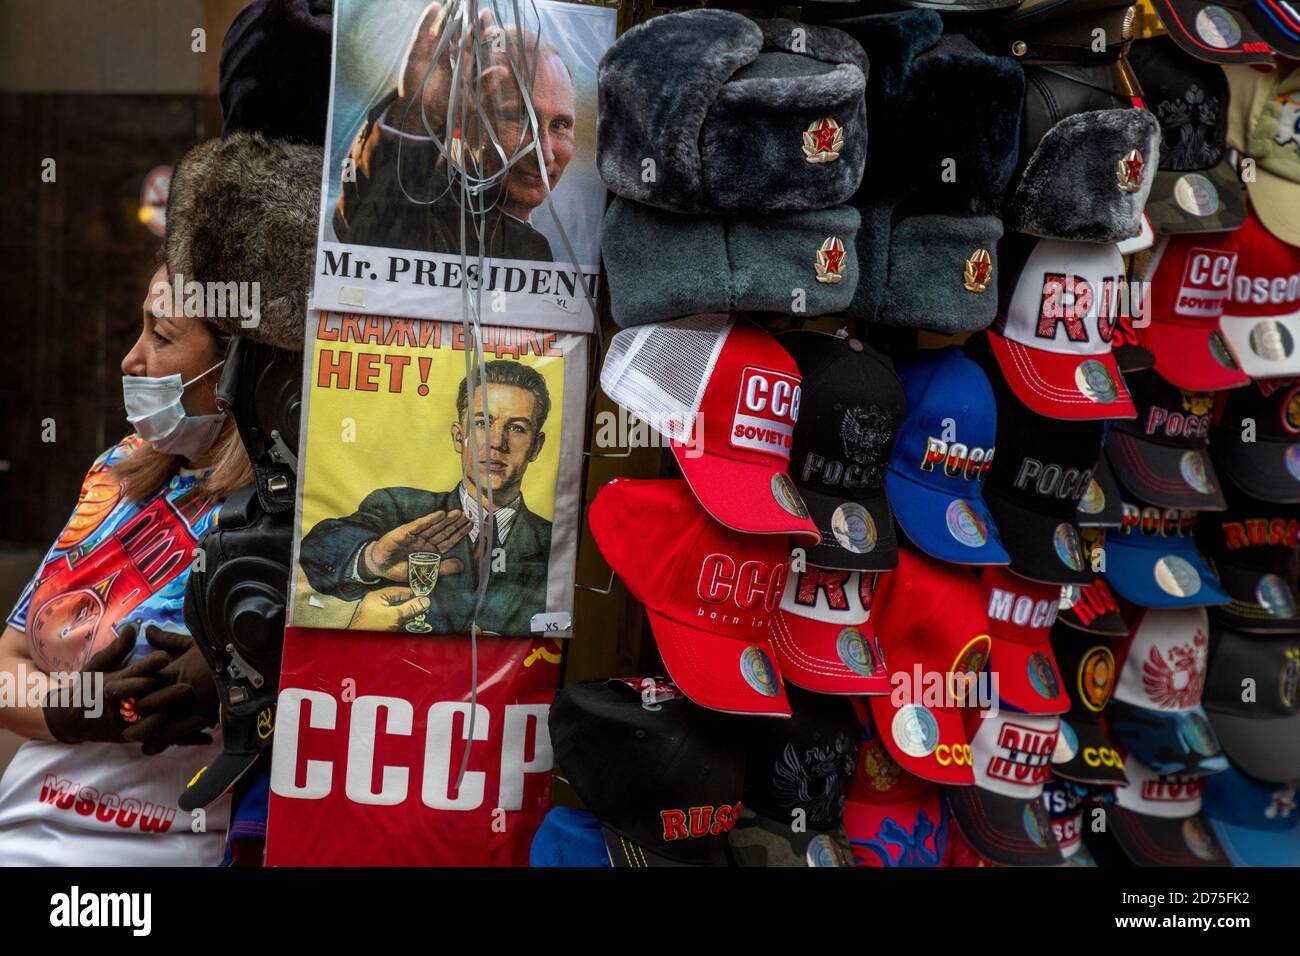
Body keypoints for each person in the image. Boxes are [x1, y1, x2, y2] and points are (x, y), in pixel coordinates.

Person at [0, 261, 251, 865]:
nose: (130, 361)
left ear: (242, 362)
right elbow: (7, 662)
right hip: (23, 832)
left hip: (161, 849)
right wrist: (72, 714)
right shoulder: (120, 470)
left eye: (160, 337)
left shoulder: (283, 518)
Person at [300, 359, 552, 635]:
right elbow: (317, 549)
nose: (496, 442)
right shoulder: (399, 507)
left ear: (536, 446)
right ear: (458, 437)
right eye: (482, 423)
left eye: (516, 428)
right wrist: (371, 559)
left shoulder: (553, 541)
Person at [333, 1, 576, 260]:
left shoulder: (534, 247)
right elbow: (367, 230)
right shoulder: (421, 214)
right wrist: (416, 116)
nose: (545, 154)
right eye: (519, 119)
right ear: (463, 114)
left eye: (559, 124)